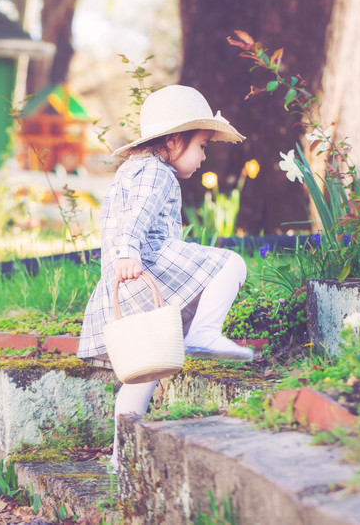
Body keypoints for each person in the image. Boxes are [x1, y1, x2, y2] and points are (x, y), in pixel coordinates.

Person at [77, 85, 254, 471]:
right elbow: (135, 216)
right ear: (175, 141)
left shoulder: (135, 169)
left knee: (144, 372)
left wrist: (124, 255)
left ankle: (119, 458)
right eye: (202, 145)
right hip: (148, 263)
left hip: (132, 279)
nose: (204, 156)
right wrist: (128, 251)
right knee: (231, 264)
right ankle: (205, 332)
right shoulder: (155, 172)